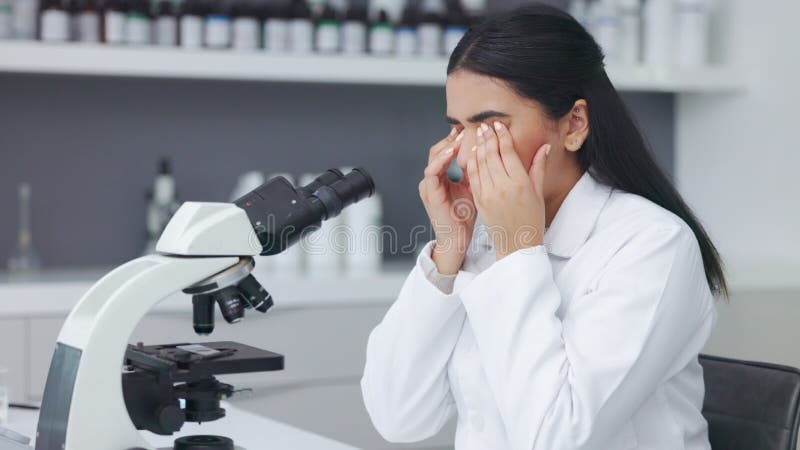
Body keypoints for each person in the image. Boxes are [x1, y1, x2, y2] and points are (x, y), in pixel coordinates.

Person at [360, 4, 725, 450]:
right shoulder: (481, 236)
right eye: (457, 128)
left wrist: (517, 250)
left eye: (490, 125)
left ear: (574, 124)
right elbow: (398, 417)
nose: (466, 152)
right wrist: (448, 251)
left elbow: (555, 437)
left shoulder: (653, 245)